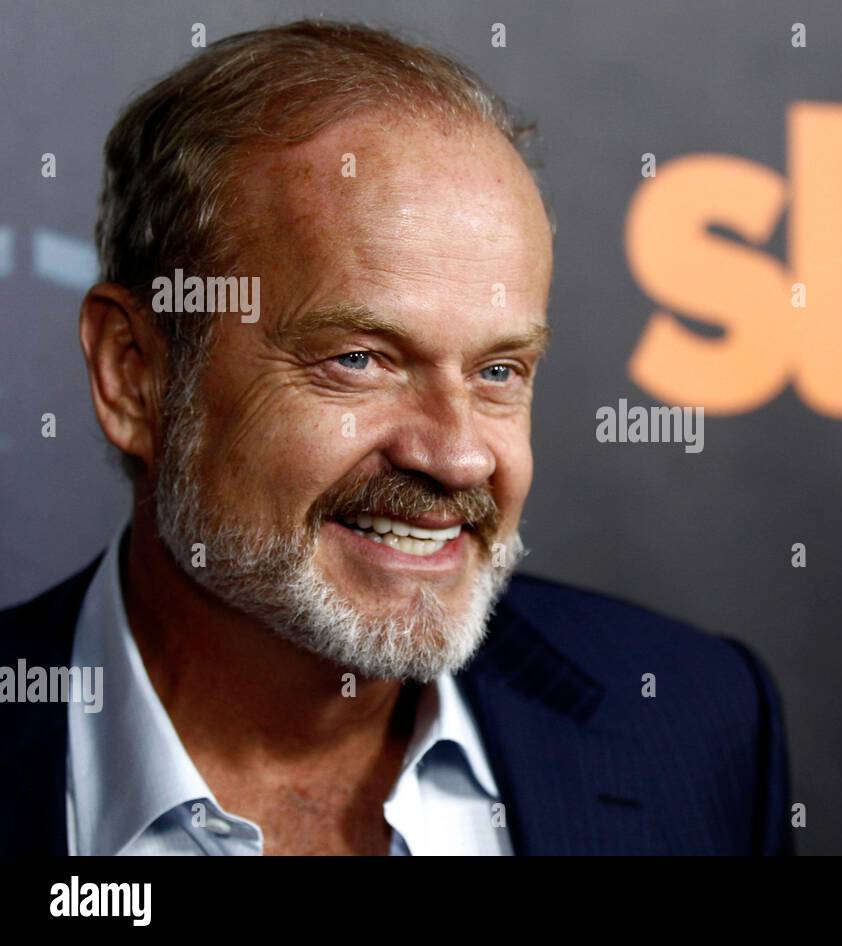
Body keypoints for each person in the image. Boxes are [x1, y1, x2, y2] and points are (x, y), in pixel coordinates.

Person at [0, 20, 793, 856]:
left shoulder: (695, 721)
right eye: (359, 359)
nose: (456, 456)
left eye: (499, 372)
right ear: (136, 374)